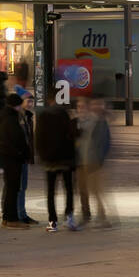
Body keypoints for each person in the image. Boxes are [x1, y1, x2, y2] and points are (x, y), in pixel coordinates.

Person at [36, 101, 78, 232]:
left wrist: (42, 156)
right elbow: (72, 136)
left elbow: (39, 137)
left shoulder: (43, 116)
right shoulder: (65, 114)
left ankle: (52, 221)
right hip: (65, 159)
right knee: (69, 189)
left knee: (50, 191)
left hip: (50, 160)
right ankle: (69, 217)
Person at [0, 93, 32, 229]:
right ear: (16, 105)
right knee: (13, 187)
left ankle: (7, 217)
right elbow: (17, 138)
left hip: (6, 154)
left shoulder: (3, 116)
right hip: (12, 156)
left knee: (10, 186)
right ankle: (12, 218)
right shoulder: (11, 118)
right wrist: (24, 153)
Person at [76, 97, 113, 228]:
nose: (80, 109)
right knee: (83, 191)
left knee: (95, 190)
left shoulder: (97, 122)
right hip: (80, 161)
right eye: (78, 106)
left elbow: (105, 142)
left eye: (82, 106)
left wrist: (99, 159)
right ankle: (86, 215)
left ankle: (103, 216)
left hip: (92, 161)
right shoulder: (77, 122)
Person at [18, 92, 38, 223]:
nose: (30, 104)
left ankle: (22, 213)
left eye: (31, 101)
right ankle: (20, 214)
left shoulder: (29, 117)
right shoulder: (20, 117)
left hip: (25, 156)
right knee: (20, 186)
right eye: (28, 101)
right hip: (19, 156)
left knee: (23, 186)